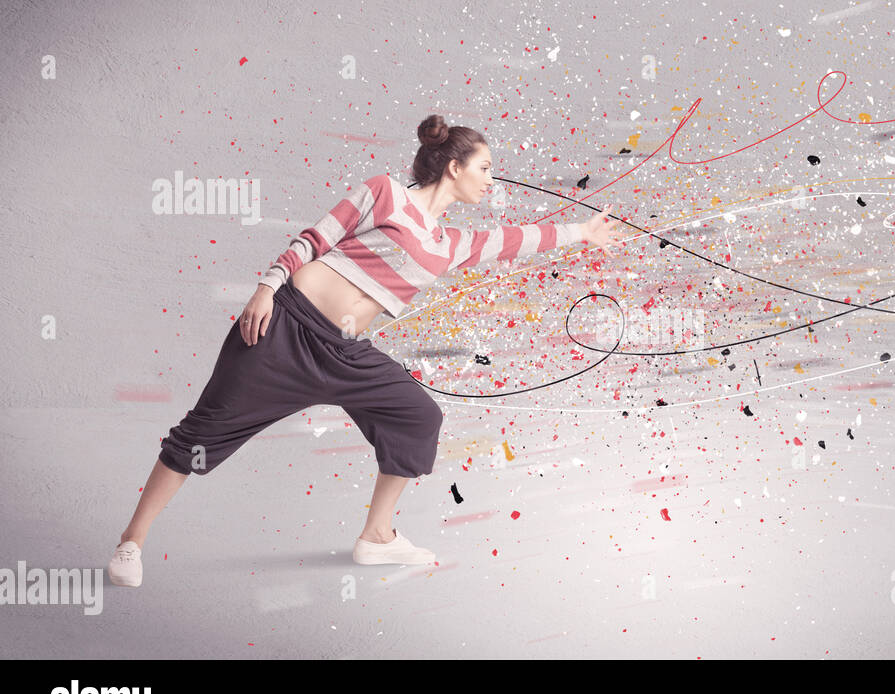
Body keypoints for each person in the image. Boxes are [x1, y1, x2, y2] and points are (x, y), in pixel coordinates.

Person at [108, 114, 629, 587]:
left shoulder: (449, 244)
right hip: (282, 328)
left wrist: (581, 231)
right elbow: (317, 237)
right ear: (453, 167)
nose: (492, 180)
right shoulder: (385, 193)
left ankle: (376, 538)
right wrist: (266, 287)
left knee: (417, 414)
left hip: (345, 350)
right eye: (486, 168)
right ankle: (131, 542)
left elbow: (509, 240)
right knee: (202, 432)